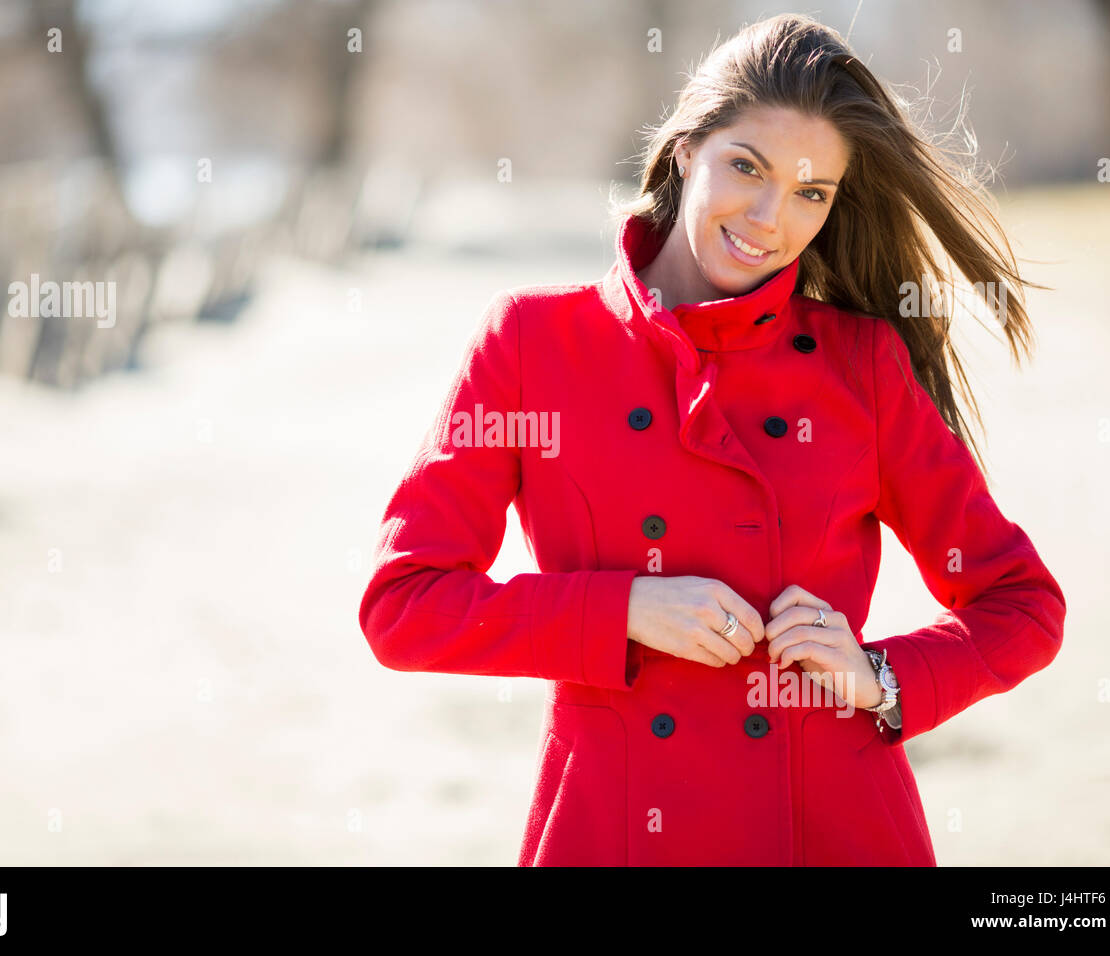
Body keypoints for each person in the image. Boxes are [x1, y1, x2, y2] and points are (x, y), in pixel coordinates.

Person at [357, 13, 1066, 866]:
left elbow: (1023, 605)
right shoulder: (533, 343)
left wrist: (881, 677)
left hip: (832, 829)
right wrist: (620, 610)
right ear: (688, 147)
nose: (771, 219)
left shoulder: (861, 363)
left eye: (812, 193)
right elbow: (405, 608)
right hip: (616, 831)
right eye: (747, 168)